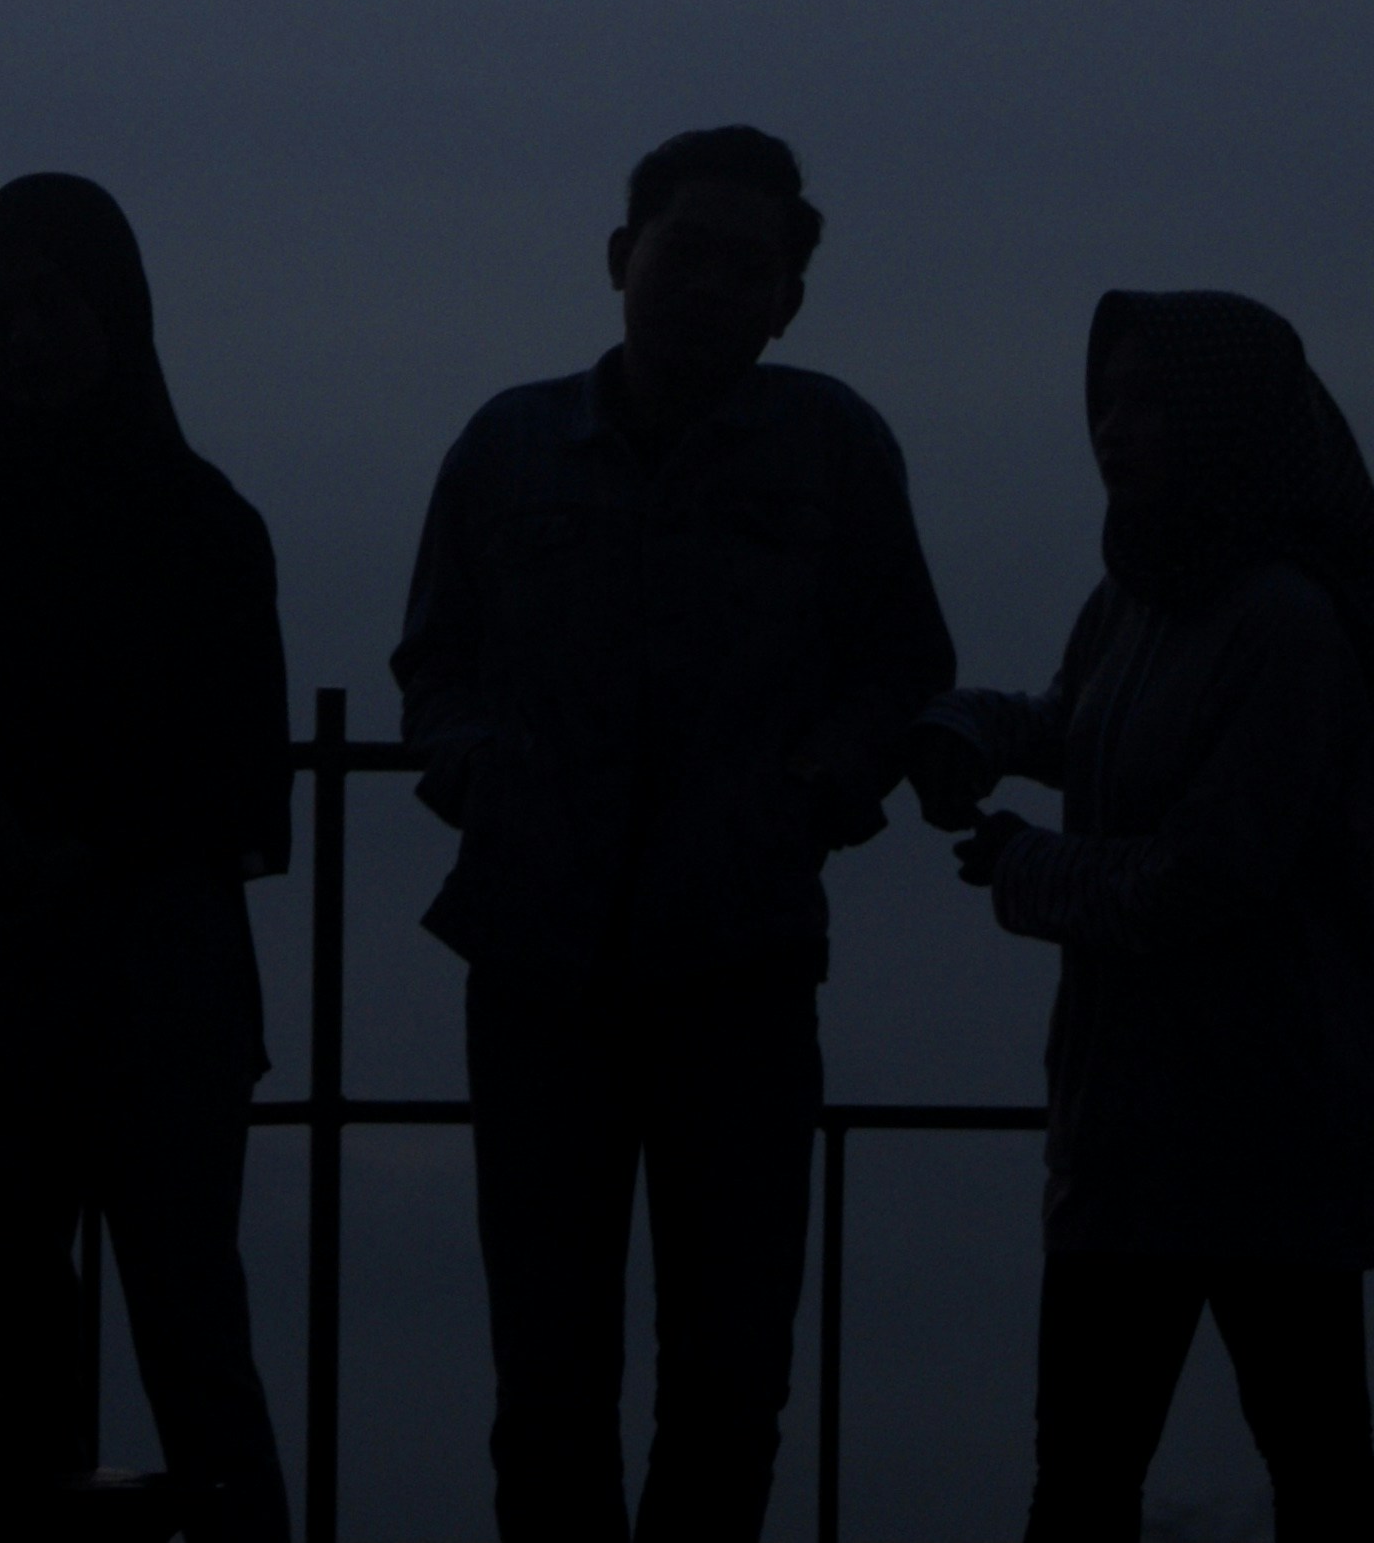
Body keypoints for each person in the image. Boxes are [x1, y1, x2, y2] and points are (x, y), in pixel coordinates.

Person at [393, 123, 954, 1543]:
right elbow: (434, 659)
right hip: (537, 957)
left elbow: (900, 661)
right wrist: (468, 764)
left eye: (744, 263)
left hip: (738, 957)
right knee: (548, 1372)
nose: (708, 282)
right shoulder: (504, 441)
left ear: (787, 298)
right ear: (617, 258)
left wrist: (821, 782)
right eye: (684, 248)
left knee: (728, 1367)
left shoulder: (833, 442)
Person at [0, 172, 295, 1543]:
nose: (17, 333)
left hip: (118, 967)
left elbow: (232, 771)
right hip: (11, 957)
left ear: (114, 309)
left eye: (44, 300)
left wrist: (16, 832)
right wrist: (19, 829)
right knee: (16, 1339)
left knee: (184, 1333)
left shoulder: (199, 518)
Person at [906, 288, 1374, 1543]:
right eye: (1105, 397)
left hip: (1259, 1118)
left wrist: (1025, 868)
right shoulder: (1141, 591)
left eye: (1147, 402)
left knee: (1294, 1463)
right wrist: (968, 727)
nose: (1110, 427)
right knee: (1096, 1471)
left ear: (1223, 421)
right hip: (1134, 1119)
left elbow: (1207, 878)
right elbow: (1069, 717)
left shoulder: (1287, 627)